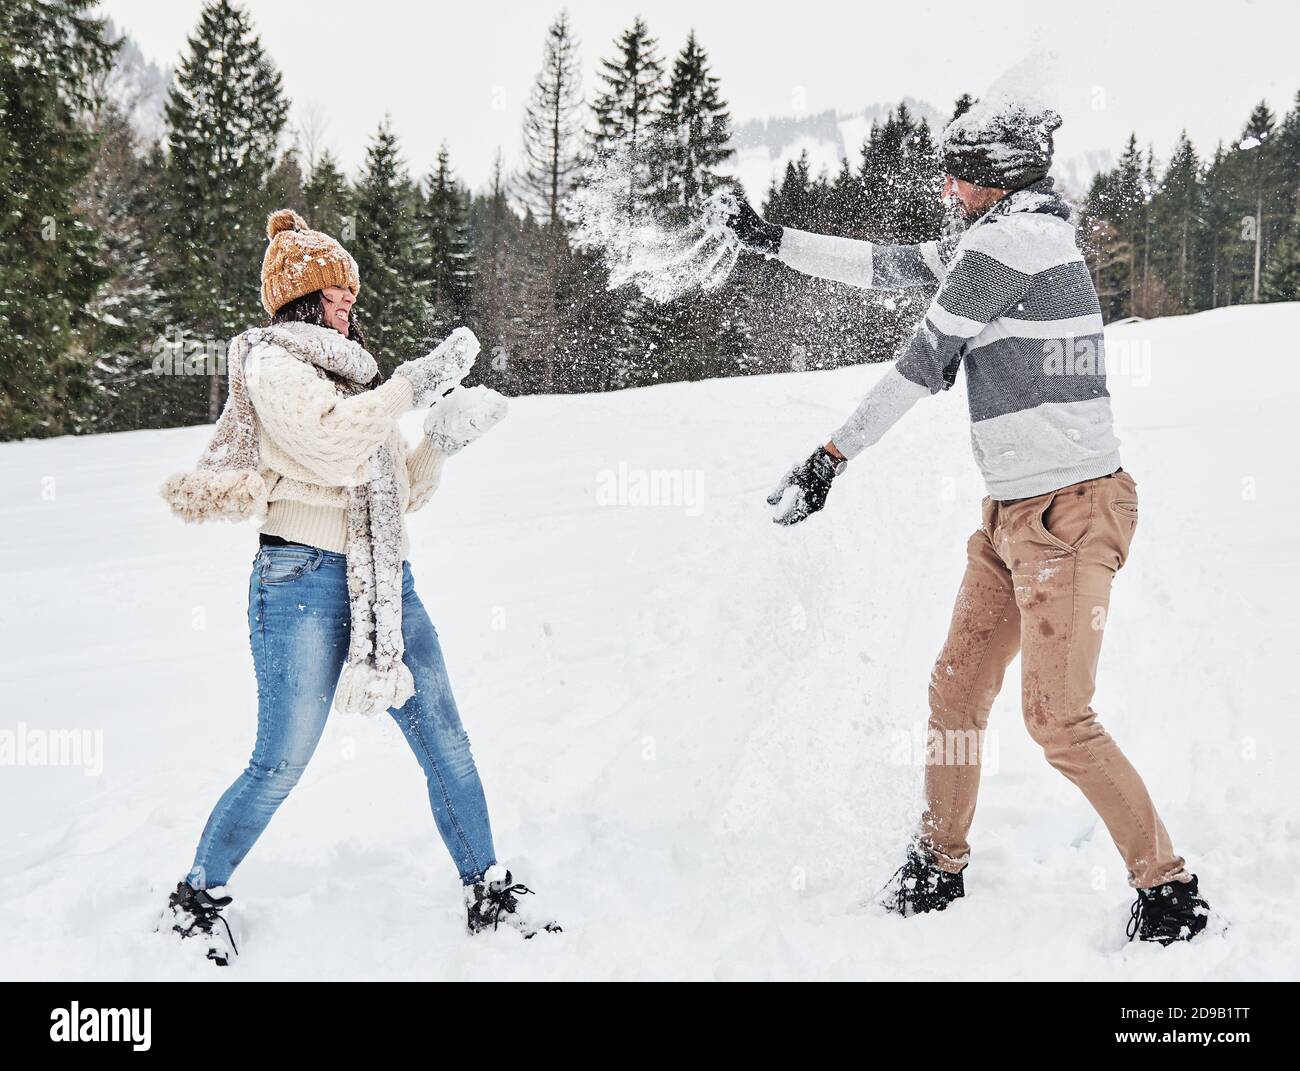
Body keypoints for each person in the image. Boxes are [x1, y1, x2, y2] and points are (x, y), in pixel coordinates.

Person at [724, 100, 1211, 944]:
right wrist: (773, 241)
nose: (947, 186)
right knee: (956, 686)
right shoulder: (1009, 234)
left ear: (995, 174)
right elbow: (890, 266)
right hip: (1016, 516)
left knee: (1058, 719)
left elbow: (920, 362)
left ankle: (1168, 888)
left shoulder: (1008, 246)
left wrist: (829, 457)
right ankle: (938, 861)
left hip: (1068, 516)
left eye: (958, 171)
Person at [157, 209, 559, 965]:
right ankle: (195, 898)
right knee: (280, 760)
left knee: (447, 737)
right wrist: (411, 385)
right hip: (299, 581)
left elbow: (393, 491)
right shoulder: (274, 365)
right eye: (337, 291)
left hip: (384, 578)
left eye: (351, 291)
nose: (350, 302)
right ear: (302, 297)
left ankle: (488, 887)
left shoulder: (357, 376)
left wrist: (439, 440)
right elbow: (334, 445)